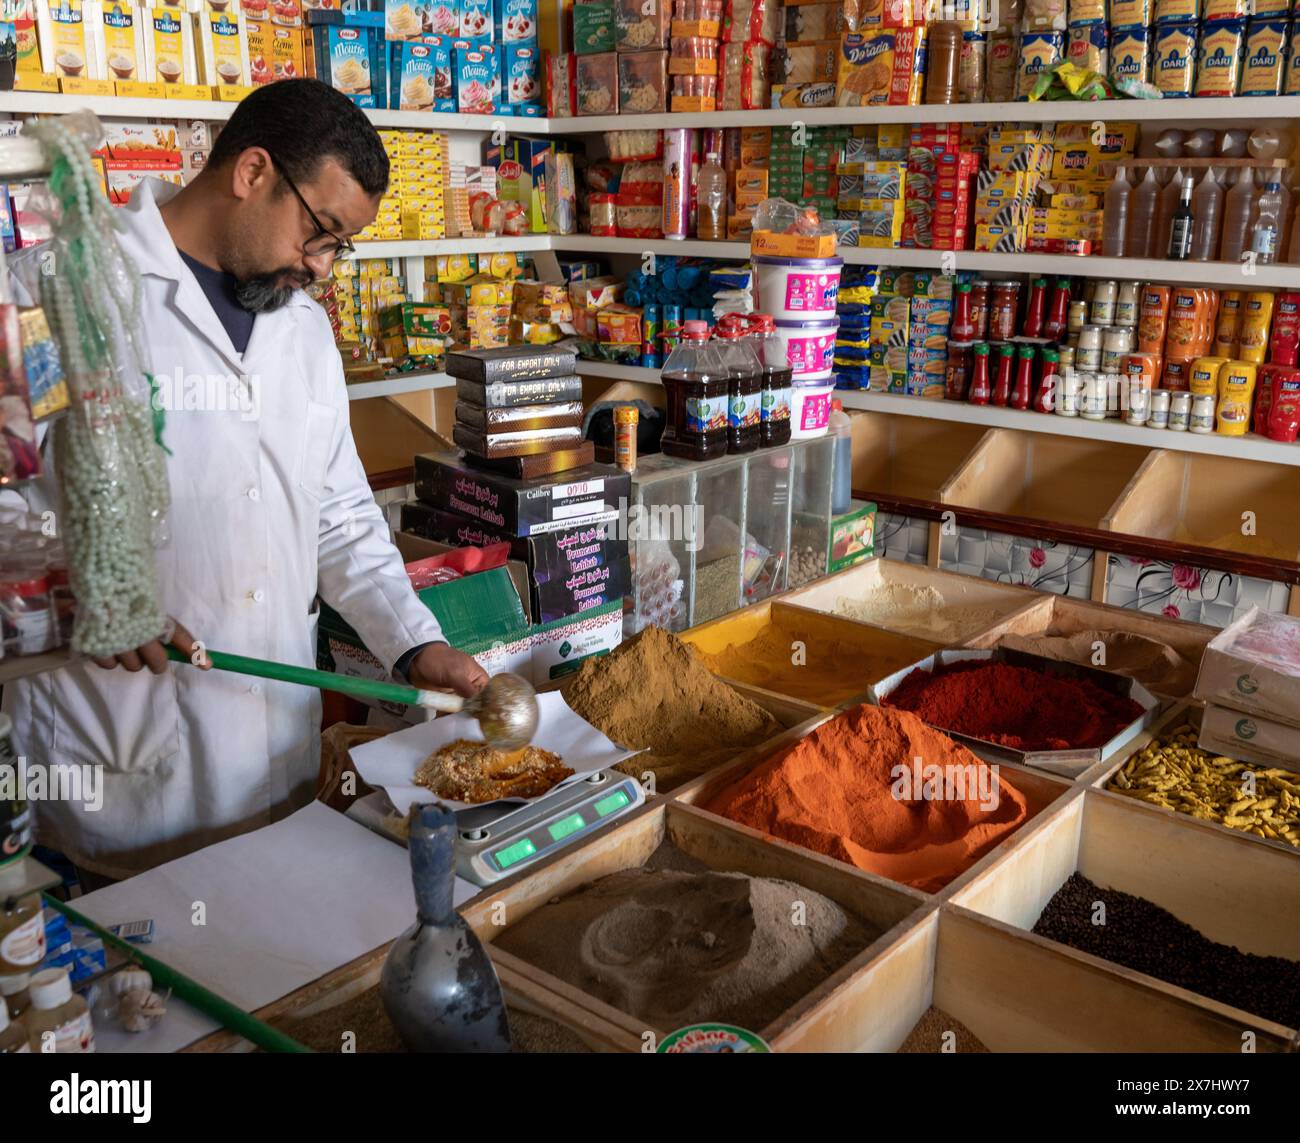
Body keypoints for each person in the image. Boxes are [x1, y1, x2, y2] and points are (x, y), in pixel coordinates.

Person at [2, 79, 487, 883]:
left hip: (277, 772)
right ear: (253, 171)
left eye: (339, 248)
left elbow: (338, 515)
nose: (321, 268)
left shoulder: (301, 331)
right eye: (320, 232)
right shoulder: (53, 296)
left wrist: (414, 644)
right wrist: (76, 588)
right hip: (120, 783)